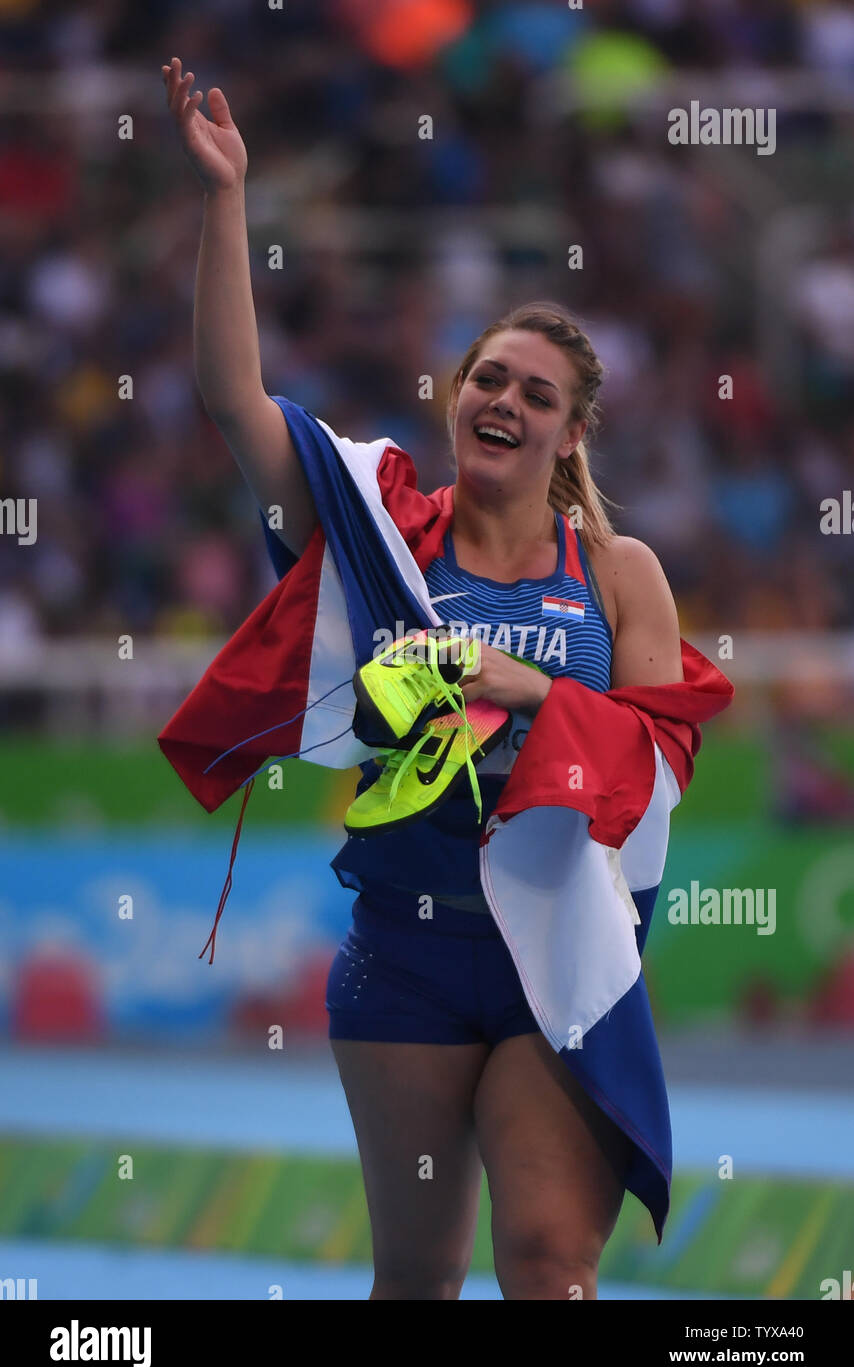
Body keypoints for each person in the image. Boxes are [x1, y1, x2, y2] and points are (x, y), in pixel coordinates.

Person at [162, 58, 701, 1301]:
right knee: (415, 1278)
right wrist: (229, 197)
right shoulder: (378, 532)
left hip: (552, 955)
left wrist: (524, 689)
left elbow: (658, 769)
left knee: (548, 1264)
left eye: (536, 393)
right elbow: (232, 400)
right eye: (487, 378)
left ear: (571, 435)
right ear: (456, 396)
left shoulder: (620, 576)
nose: (502, 399)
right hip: (399, 952)